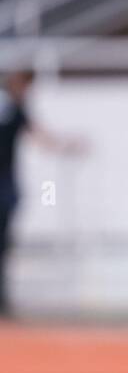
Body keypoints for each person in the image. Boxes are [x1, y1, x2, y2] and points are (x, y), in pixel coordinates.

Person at [0, 70, 87, 317]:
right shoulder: (13, 106)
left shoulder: (17, 109)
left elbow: (39, 136)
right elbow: (40, 137)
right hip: (5, 186)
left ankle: (2, 298)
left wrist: (66, 145)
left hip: (6, 186)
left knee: (4, 244)